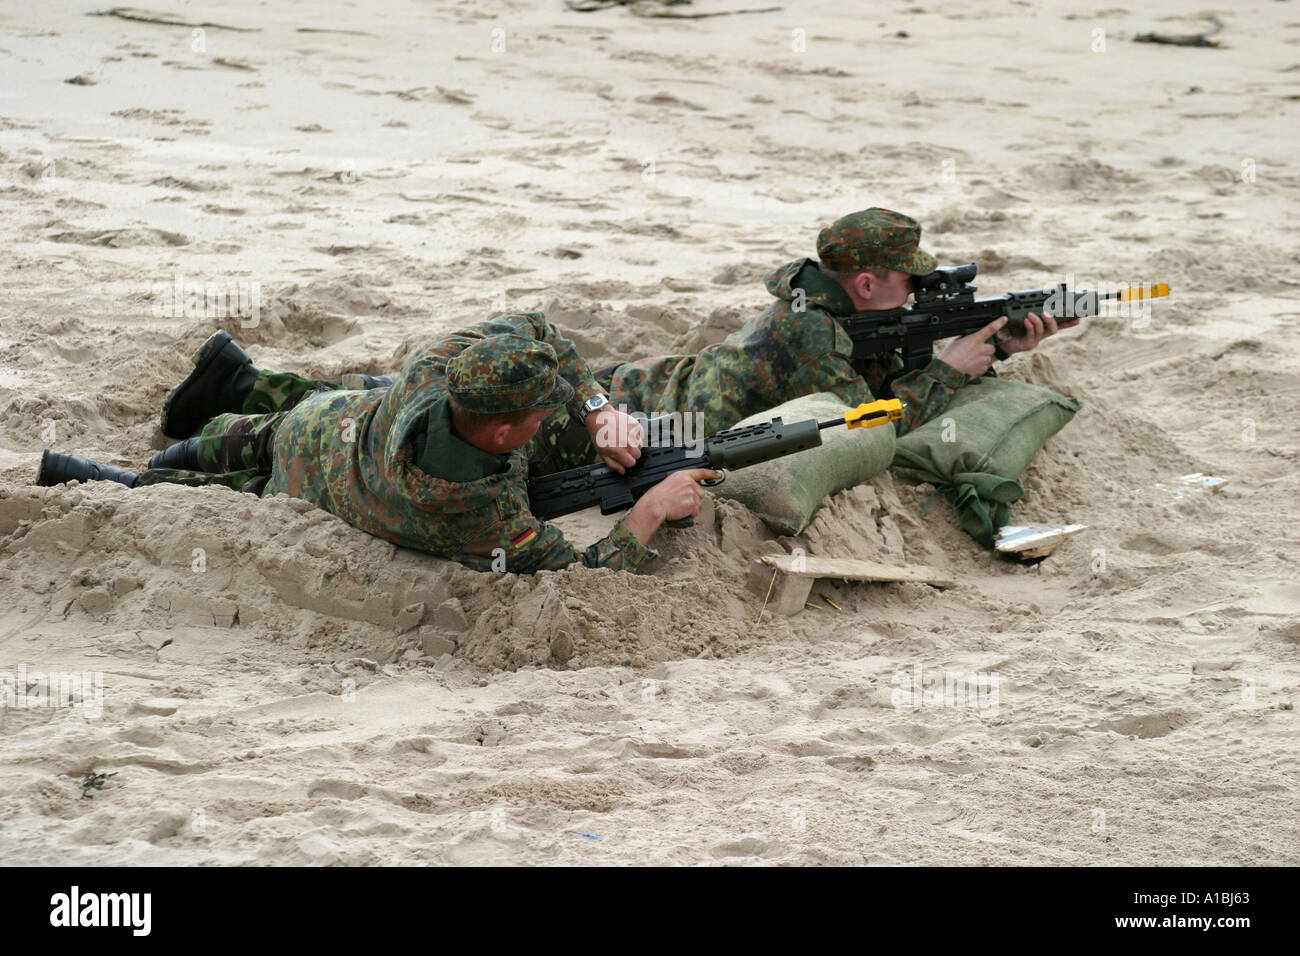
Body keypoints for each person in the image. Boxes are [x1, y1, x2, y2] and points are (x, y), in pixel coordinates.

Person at [184, 208, 1076, 476]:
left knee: (396, 391)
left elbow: (876, 359)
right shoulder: (809, 327)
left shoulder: (829, 306)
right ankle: (247, 391)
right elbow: (856, 415)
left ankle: (249, 382)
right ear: (869, 283)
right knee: (402, 406)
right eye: (911, 280)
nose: (922, 291)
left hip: (647, 383)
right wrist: (952, 374)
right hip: (650, 412)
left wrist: (996, 341)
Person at [37, 314, 715, 573]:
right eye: (540, 417)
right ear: (505, 433)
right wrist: (650, 511)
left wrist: (594, 408)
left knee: (199, 457)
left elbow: (532, 326)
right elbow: (581, 572)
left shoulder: (434, 372)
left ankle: (165, 438)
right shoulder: (478, 511)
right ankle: (99, 476)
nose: (547, 421)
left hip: (315, 425)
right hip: (306, 486)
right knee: (186, 488)